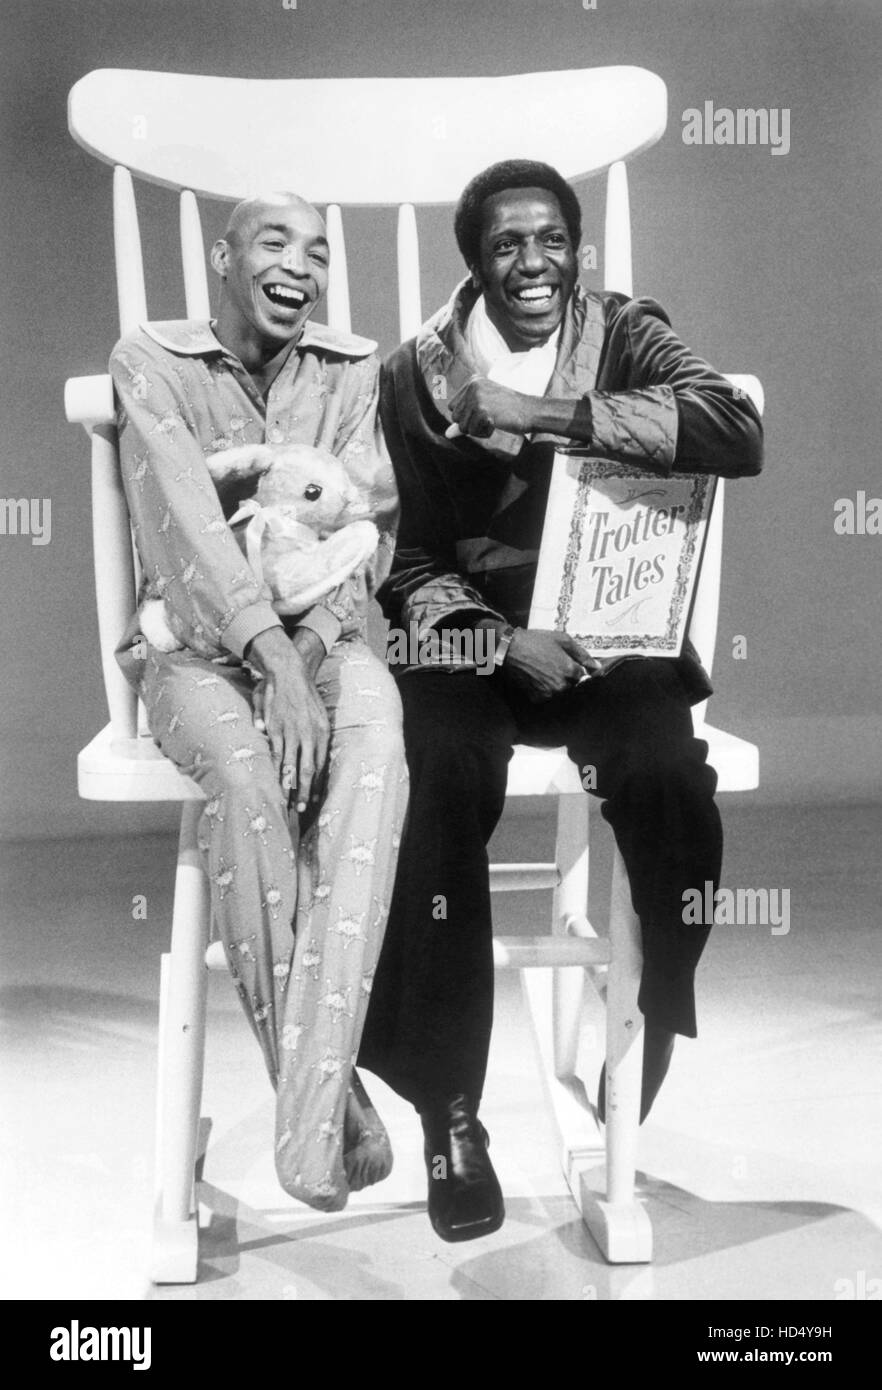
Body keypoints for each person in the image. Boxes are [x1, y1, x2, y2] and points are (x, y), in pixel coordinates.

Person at [358, 159, 763, 1242]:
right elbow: (404, 555)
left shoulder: (625, 332)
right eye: (505, 244)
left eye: (550, 239)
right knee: (434, 773)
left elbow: (735, 430)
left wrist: (543, 411)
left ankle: (652, 1006)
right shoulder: (412, 377)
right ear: (476, 262)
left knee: (667, 770)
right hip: (476, 649)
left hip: (615, 639)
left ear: (576, 251)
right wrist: (500, 640)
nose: (530, 261)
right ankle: (451, 1110)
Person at [109, 192, 408, 1213]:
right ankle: (329, 1111)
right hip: (198, 649)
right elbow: (187, 525)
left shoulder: (348, 368)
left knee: (375, 749)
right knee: (248, 778)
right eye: (275, 243)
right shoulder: (151, 359)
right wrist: (270, 659)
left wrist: (314, 649)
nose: (302, 266)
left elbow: (372, 531)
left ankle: (305, 1117)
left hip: (324, 638)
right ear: (225, 257)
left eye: (318, 251)